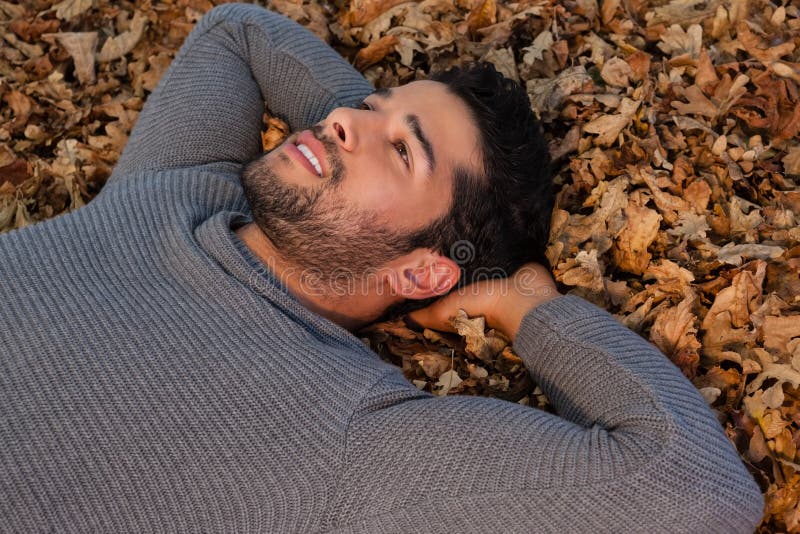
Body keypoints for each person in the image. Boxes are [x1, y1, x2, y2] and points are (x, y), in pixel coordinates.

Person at [0, 3, 763, 532]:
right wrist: (360, 143)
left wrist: (525, 303)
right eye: (371, 103)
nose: (340, 119)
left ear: (424, 274)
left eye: (403, 150)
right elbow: (236, 32)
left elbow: (693, 486)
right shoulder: (179, 188)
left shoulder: (353, 439)